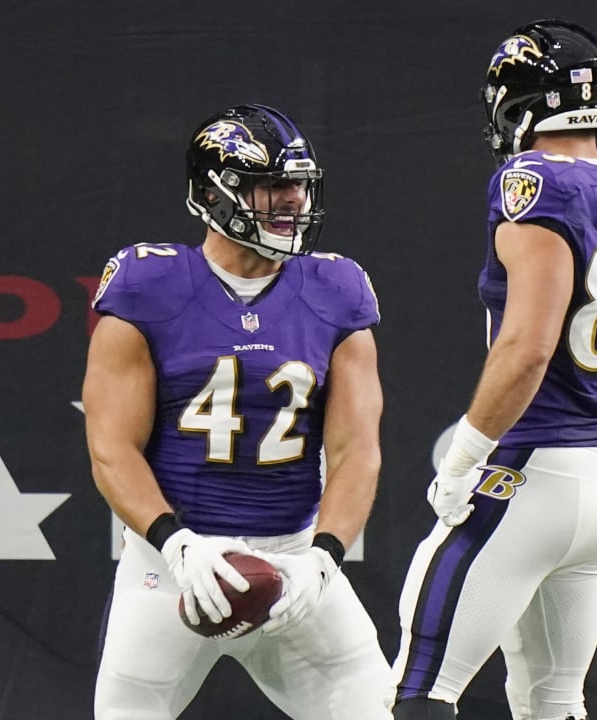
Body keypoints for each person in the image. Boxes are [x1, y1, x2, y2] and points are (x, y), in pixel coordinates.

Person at [390, 20, 597, 720]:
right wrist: (589, 422)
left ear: (518, 102)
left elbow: (527, 348)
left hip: (529, 474)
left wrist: (465, 459)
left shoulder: (533, 183)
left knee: (422, 693)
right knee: (554, 703)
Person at [84, 103, 392, 719]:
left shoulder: (337, 289)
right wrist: (175, 546)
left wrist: (324, 559)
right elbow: (110, 446)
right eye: (269, 186)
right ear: (212, 193)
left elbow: (358, 449)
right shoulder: (150, 285)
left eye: (298, 186)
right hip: (175, 566)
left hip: (297, 560)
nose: (290, 202)